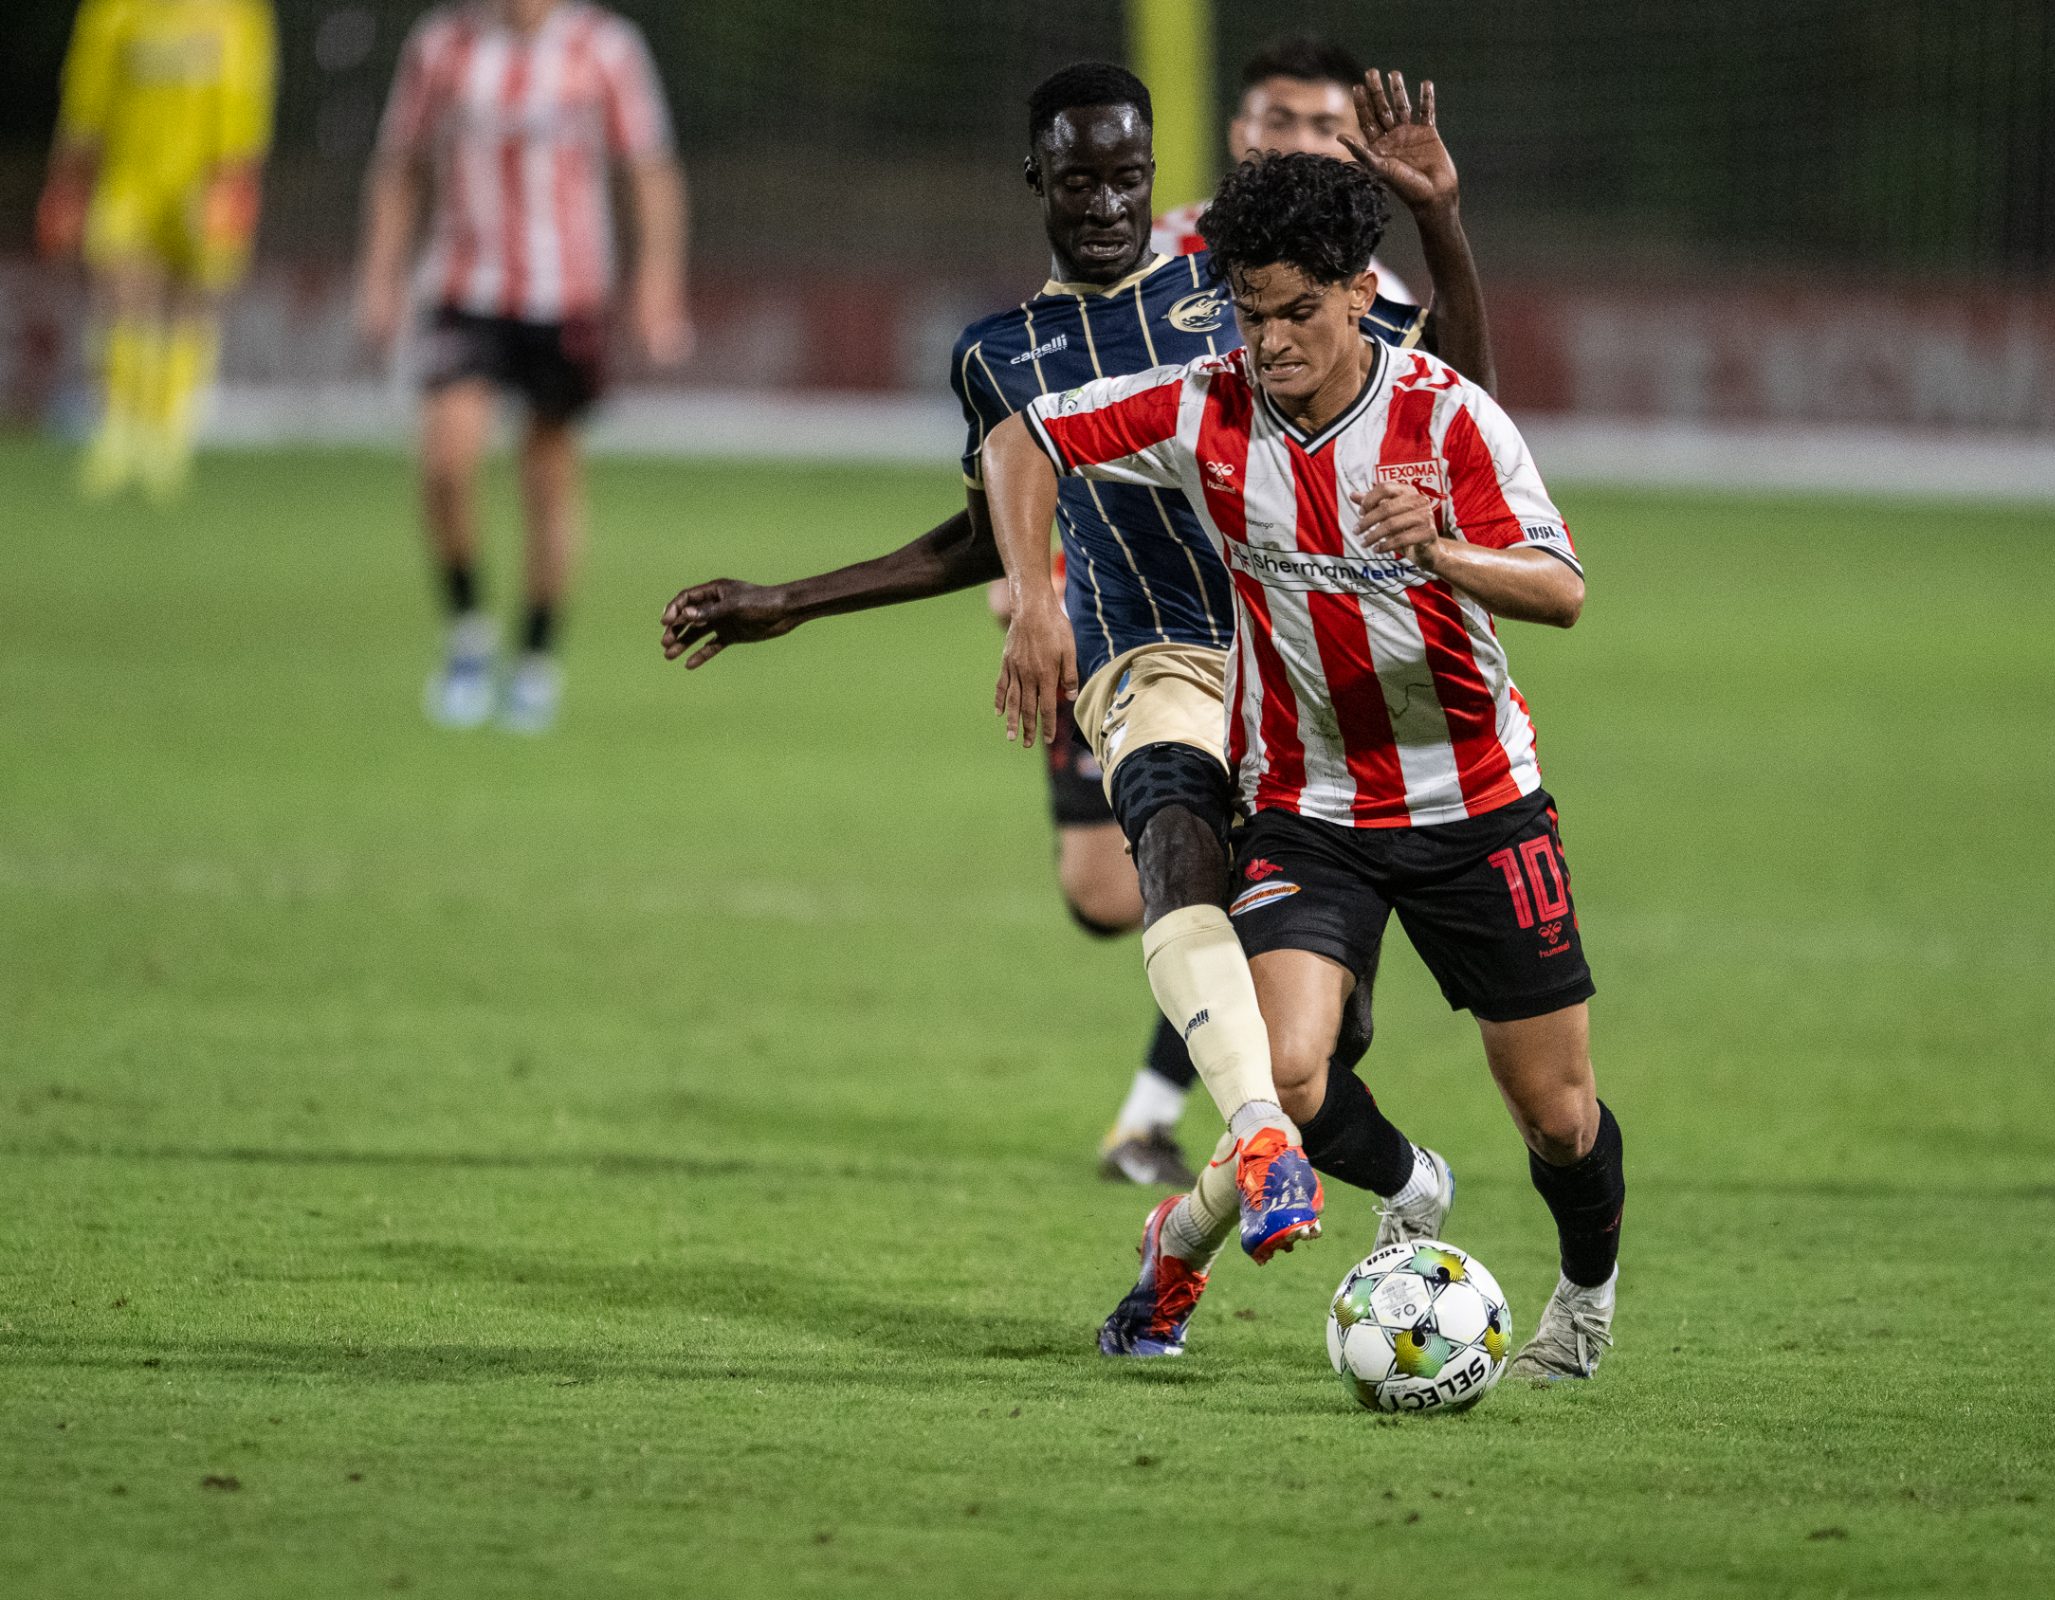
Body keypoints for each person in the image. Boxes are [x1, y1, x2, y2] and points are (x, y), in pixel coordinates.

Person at [659, 64, 1492, 1203]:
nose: (1105, 204)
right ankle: (1250, 1138)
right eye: (1079, 180)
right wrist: (793, 600)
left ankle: (1270, 1208)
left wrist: (1441, 223)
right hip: (1148, 652)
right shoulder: (998, 353)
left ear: (1153, 177)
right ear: (1036, 179)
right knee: (1170, 842)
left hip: (1299, 664)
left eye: (1127, 178)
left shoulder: (1238, 288)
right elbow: (976, 538)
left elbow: (1452, 383)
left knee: (1325, 1046)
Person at [986, 152, 1623, 1378]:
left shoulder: (1447, 416)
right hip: (1307, 806)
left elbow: (1561, 590)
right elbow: (1025, 437)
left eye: (1297, 311)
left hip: (1478, 804)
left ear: (1356, 295)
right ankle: (1411, 1181)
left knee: (1557, 1113)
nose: (1269, 340)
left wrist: (1442, 550)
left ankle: (1584, 1299)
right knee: (1281, 1070)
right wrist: (1033, 598)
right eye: (1249, 309)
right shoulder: (1203, 406)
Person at [359, 0, 693, 734]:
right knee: (447, 464)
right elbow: (400, 164)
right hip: (464, 288)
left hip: (566, 295)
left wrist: (657, 282)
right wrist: (380, 276)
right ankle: (467, 635)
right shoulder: (442, 45)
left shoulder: (605, 48)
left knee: (547, 481)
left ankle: (536, 658)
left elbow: (650, 170)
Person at [38, 0, 275, 503]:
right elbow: (84, 107)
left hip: (206, 181)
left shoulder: (237, 16)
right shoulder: (114, 13)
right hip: (129, 180)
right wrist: (68, 186)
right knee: (122, 293)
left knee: (192, 301)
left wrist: (236, 187)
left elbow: (250, 107)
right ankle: (121, 429)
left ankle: (171, 433)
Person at [1151, 36, 1421, 310]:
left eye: (1325, 127)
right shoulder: (1158, 254)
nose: (1301, 145)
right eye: (1278, 123)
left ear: (1362, 148)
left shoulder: (1386, 299)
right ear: (1238, 136)